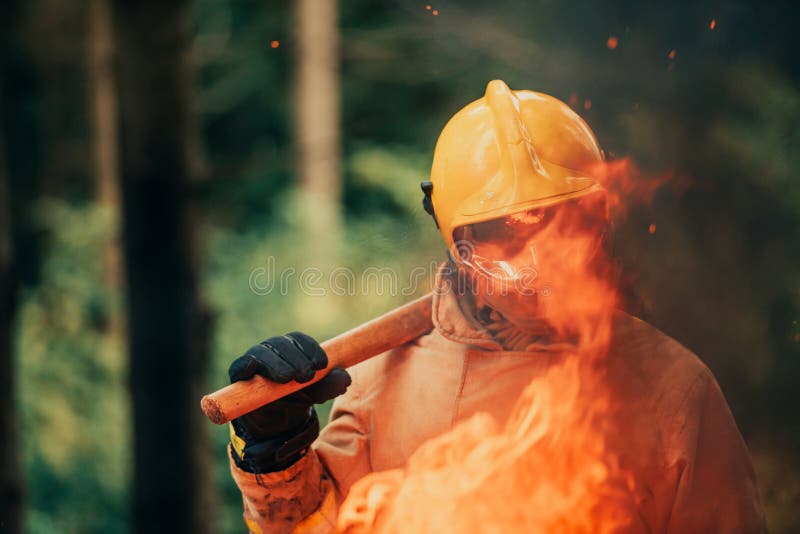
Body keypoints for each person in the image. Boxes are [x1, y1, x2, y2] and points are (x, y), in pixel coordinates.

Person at [226, 80, 766, 533]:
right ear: (449, 233)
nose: (537, 266)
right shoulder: (376, 383)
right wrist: (276, 455)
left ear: (601, 218)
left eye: (562, 227)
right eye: (501, 238)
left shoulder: (674, 391)